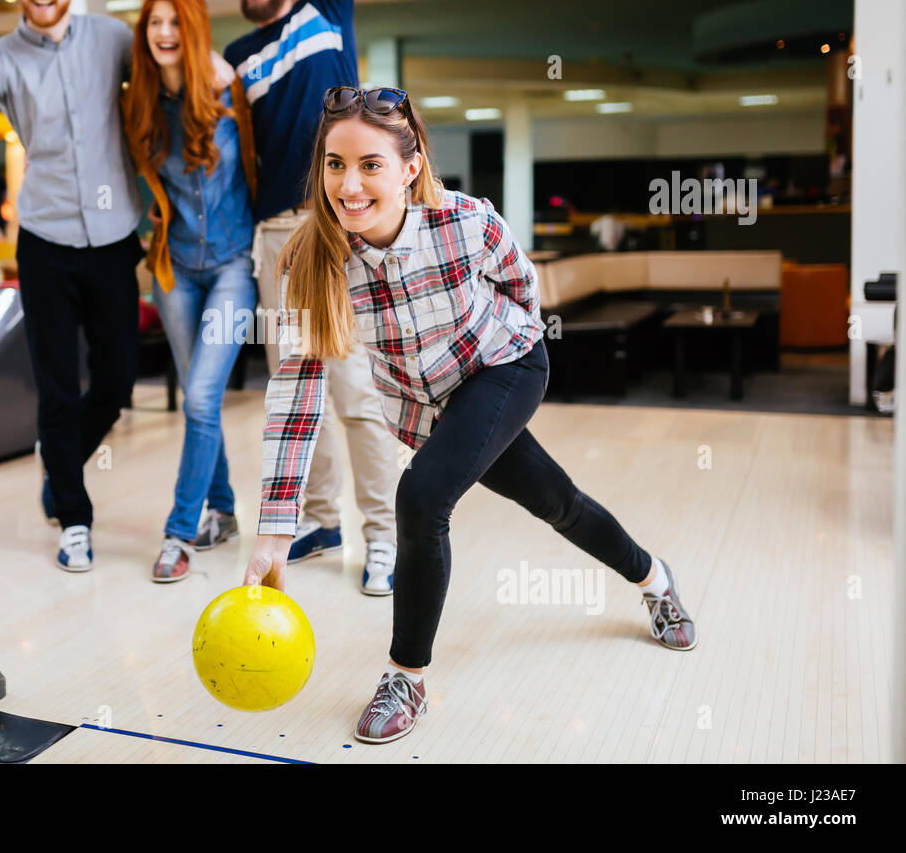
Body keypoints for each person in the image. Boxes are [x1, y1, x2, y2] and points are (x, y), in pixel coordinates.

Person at [242, 86, 698, 745]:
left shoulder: (465, 221)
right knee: (557, 501)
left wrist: (502, 344)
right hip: (429, 407)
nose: (349, 183)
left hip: (505, 367)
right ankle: (655, 577)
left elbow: (521, 287)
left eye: (370, 164)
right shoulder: (311, 261)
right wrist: (275, 531)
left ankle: (407, 676)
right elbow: (295, 391)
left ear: (409, 165)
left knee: (421, 497)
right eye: (335, 164)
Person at [0, 0, 232, 573]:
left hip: (114, 239)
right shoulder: (5, 58)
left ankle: (57, 466)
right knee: (58, 390)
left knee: (118, 378)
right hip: (44, 242)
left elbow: (169, 62)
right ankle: (73, 516)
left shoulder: (109, 40)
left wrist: (220, 74)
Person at [223, 0, 401, 596]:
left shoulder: (325, 9)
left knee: (356, 387)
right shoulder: (238, 58)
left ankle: (385, 537)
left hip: (335, 223)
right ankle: (319, 519)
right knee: (298, 390)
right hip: (275, 239)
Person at [122, 0, 258, 583]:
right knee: (202, 401)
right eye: (154, 23)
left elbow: (261, 165)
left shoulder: (230, 91)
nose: (164, 34)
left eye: (175, 22)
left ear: (194, 29)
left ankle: (179, 533)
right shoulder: (143, 103)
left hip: (233, 266)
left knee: (201, 398)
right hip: (173, 271)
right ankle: (223, 510)